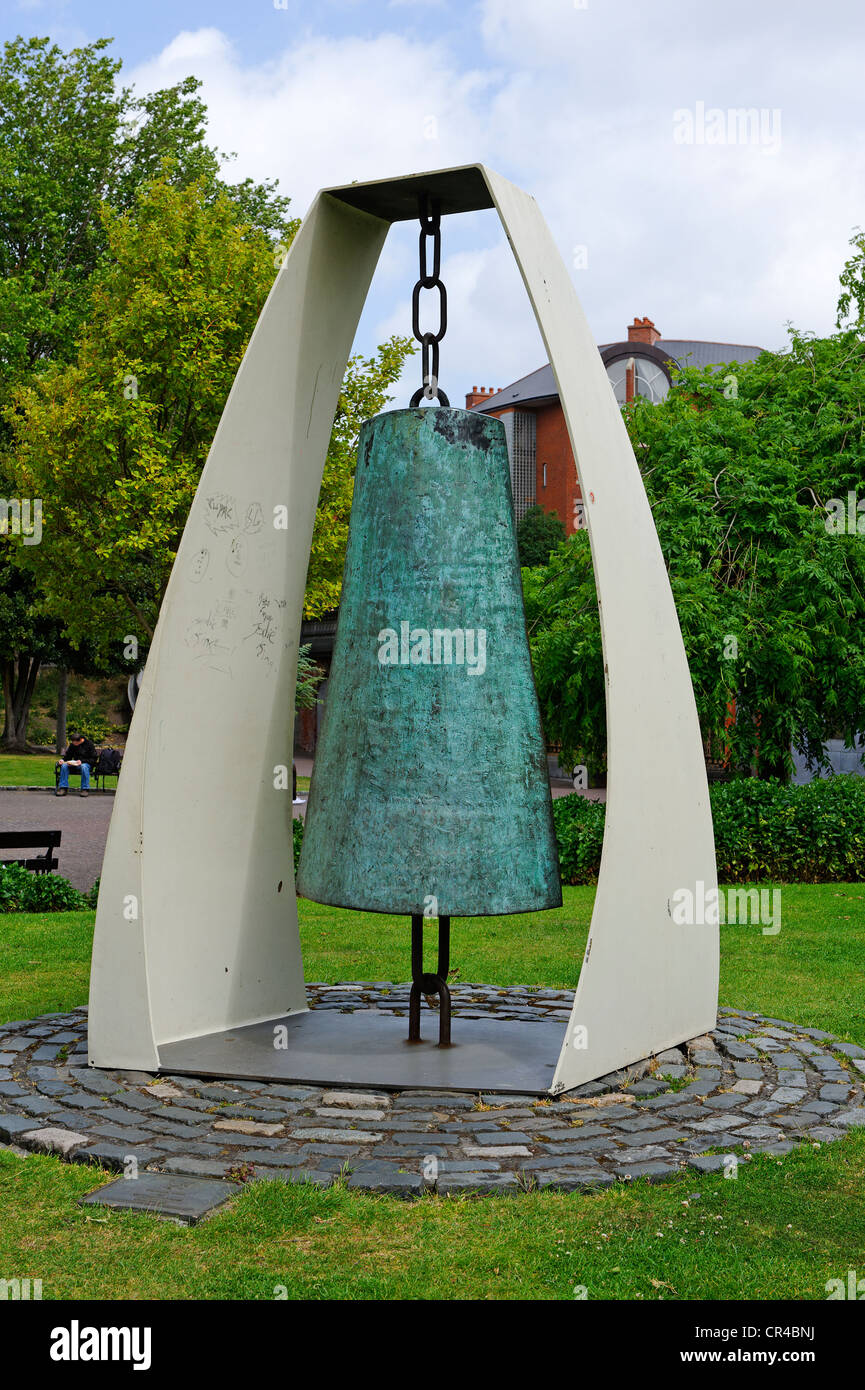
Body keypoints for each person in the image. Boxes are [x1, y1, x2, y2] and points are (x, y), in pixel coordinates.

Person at [56, 731, 97, 797]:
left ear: (80, 740)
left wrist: (82, 761)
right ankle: (63, 788)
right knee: (64, 765)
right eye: (73, 742)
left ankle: (85, 789)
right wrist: (62, 760)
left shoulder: (89, 744)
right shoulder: (73, 745)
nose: (73, 744)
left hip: (86, 764)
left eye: (75, 743)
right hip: (75, 764)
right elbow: (68, 756)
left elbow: (94, 759)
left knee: (84, 766)